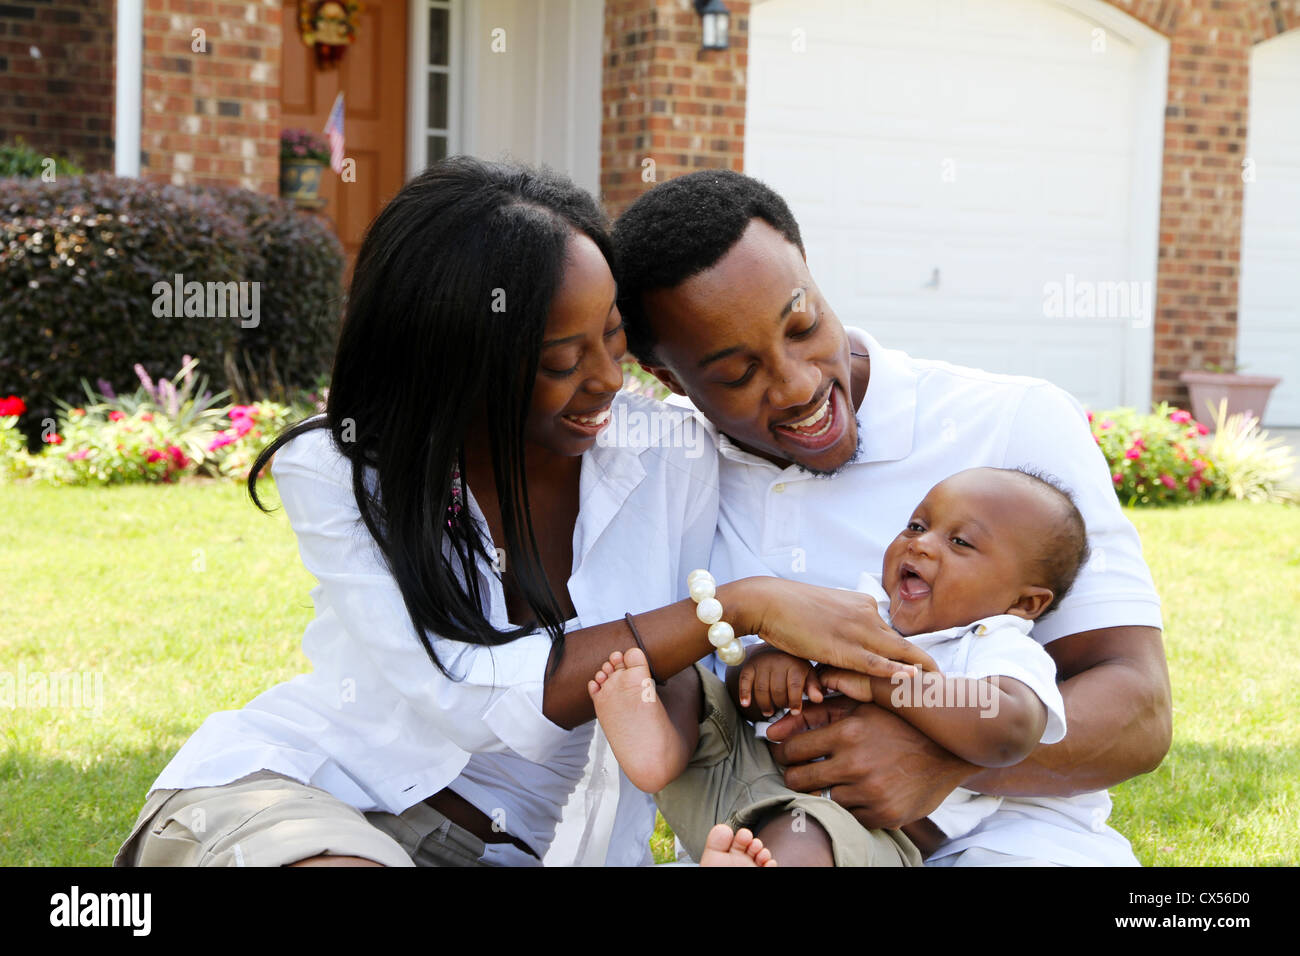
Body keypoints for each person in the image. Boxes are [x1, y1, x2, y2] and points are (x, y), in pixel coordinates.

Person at [114, 157, 930, 868]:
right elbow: (463, 694)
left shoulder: (668, 454)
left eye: (614, 339)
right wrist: (738, 606)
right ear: (462, 357)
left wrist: (677, 717)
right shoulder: (345, 469)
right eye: (562, 361)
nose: (610, 380)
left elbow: (672, 678)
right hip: (308, 798)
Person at [610, 169, 1172, 865]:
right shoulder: (660, 466)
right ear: (671, 380)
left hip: (1017, 844)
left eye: (803, 325)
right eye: (736, 375)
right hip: (794, 834)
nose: (799, 384)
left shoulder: (1014, 422)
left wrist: (944, 761)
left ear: (811, 273)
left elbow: (1141, 711)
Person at [592, 466, 1139, 866]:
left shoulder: (994, 643)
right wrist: (767, 666)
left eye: (960, 541)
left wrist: (886, 687)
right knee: (683, 675)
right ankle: (661, 753)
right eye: (917, 525)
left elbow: (1009, 727)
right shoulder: (860, 611)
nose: (921, 545)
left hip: (860, 831)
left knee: (807, 838)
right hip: (741, 776)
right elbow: (750, 686)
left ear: (1025, 603)